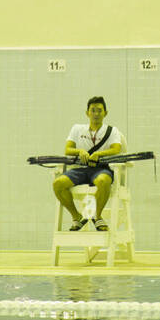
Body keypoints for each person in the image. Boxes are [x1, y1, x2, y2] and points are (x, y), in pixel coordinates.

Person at [52, 97, 124, 231]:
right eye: (93, 110)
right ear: (87, 113)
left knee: (103, 181)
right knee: (58, 184)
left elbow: (116, 149)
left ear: (105, 113)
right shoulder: (77, 129)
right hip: (80, 169)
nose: (96, 114)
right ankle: (76, 216)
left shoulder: (112, 131)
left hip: (101, 169)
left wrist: (98, 154)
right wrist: (80, 151)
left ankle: (97, 216)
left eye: (99, 111)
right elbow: (68, 149)